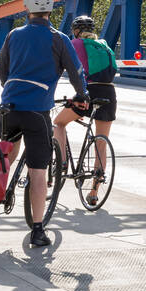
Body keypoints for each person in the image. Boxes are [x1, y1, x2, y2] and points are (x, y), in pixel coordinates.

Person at [0, 0, 89, 248]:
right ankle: (37, 229)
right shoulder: (58, 39)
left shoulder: (13, 35)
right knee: (38, 171)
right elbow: (76, 71)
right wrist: (82, 94)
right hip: (37, 112)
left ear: (26, 8)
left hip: (9, 106)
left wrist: (13, 89)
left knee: (7, 155)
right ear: (50, 8)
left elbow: (1, 71)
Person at [54, 15, 117, 207]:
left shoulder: (75, 43)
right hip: (109, 93)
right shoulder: (104, 45)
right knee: (100, 142)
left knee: (59, 122)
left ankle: (62, 164)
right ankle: (94, 192)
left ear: (75, 31)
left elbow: (66, 68)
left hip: (90, 92)